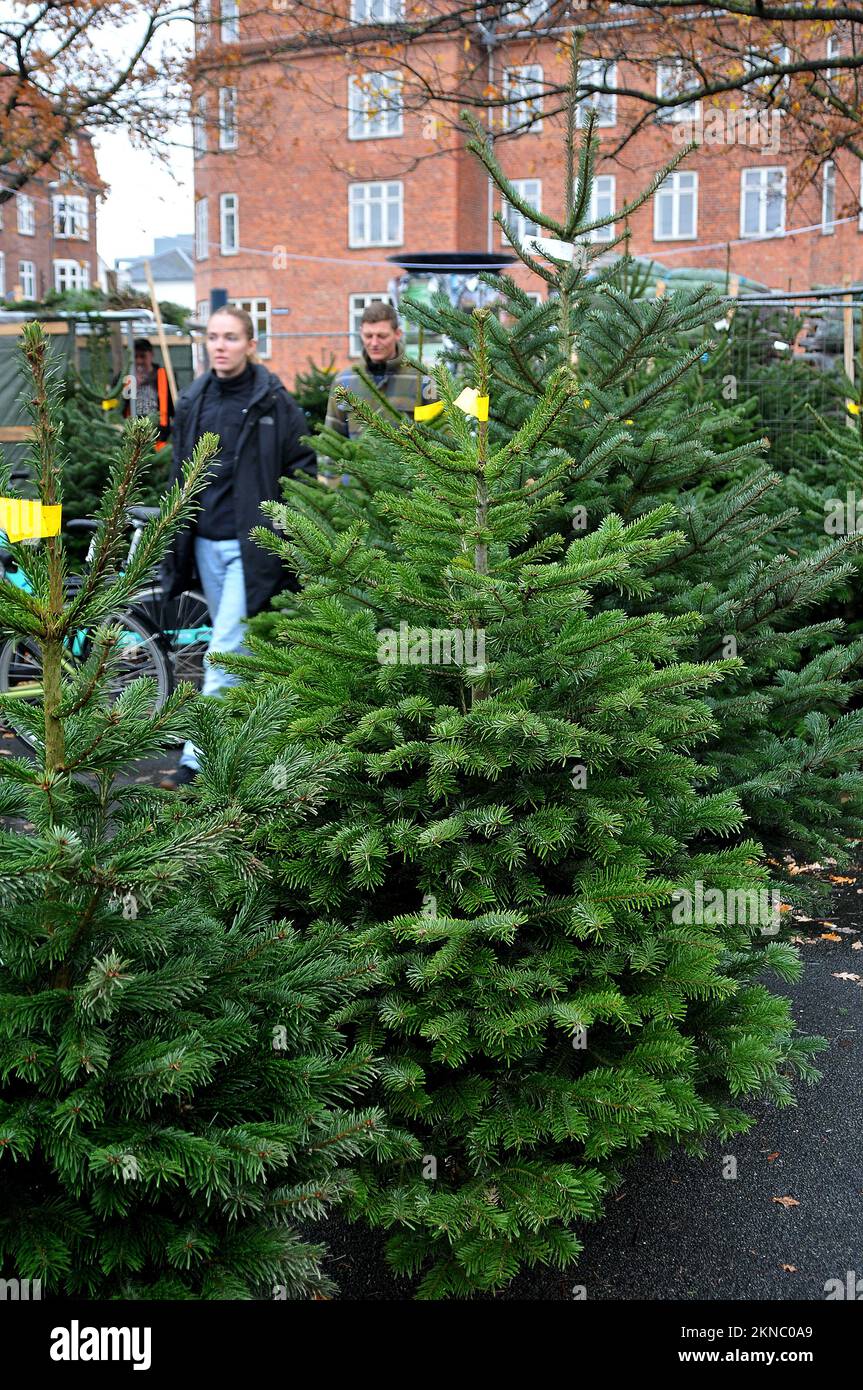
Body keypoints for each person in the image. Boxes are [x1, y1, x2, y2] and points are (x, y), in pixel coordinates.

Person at [160, 304, 316, 787]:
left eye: (230, 337)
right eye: (213, 337)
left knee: (224, 647)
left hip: (253, 546)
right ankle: (248, 748)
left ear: (251, 344)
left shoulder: (273, 402)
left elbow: (302, 468)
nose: (220, 346)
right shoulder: (193, 400)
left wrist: (286, 533)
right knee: (240, 650)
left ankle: (195, 762)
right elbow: (179, 471)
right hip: (205, 542)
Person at [324, 301, 433, 440]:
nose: (374, 343)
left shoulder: (425, 378)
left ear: (398, 334)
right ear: (361, 334)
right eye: (368, 336)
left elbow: (439, 433)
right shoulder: (344, 381)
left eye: (382, 336)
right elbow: (331, 440)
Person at [124, 338, 174, 450]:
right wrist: (132, 386)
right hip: (132, 440)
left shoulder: (164, 376)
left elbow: (174, 406)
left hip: (160, 440)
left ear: (151, 355)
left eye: (142, 356)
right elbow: (118, 409)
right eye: (135, 357)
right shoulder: (125, 377)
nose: (139, 361)